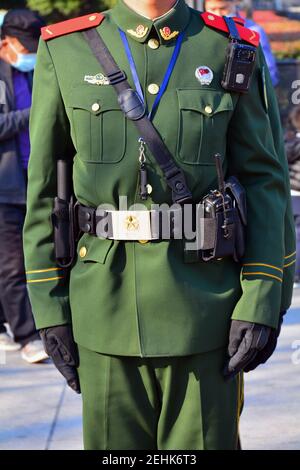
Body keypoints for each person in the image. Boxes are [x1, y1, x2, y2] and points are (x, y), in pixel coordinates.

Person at [23, 0, 295, 450]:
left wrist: (263, 298)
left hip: (208, 313)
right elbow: (45, 189)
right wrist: (49, 308)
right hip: (102, 313)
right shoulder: (66, 48)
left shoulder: (228, 45)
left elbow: (266, 180)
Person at [0, 9, 48, 363]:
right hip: (6, 186)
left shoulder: (40, 71)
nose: (29, 53)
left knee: (44, 258)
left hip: (41, 181)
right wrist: (33, 113)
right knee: (13, 265)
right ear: (5, 43)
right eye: (24, 46)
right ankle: (26, 335)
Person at [204, 0, 280, 86]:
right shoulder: (201, 31)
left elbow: (268, 70)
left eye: (223, 8)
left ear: (234, 3)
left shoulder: (253, 31)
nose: (218, 13)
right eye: (212, 9)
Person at [285, 106, 300, 284]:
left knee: (295, 234)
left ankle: (294, 272)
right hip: (296, 194)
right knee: (296, 235)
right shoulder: (294, 144)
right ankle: (296, 273)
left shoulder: (289, 143)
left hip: (291, 194)